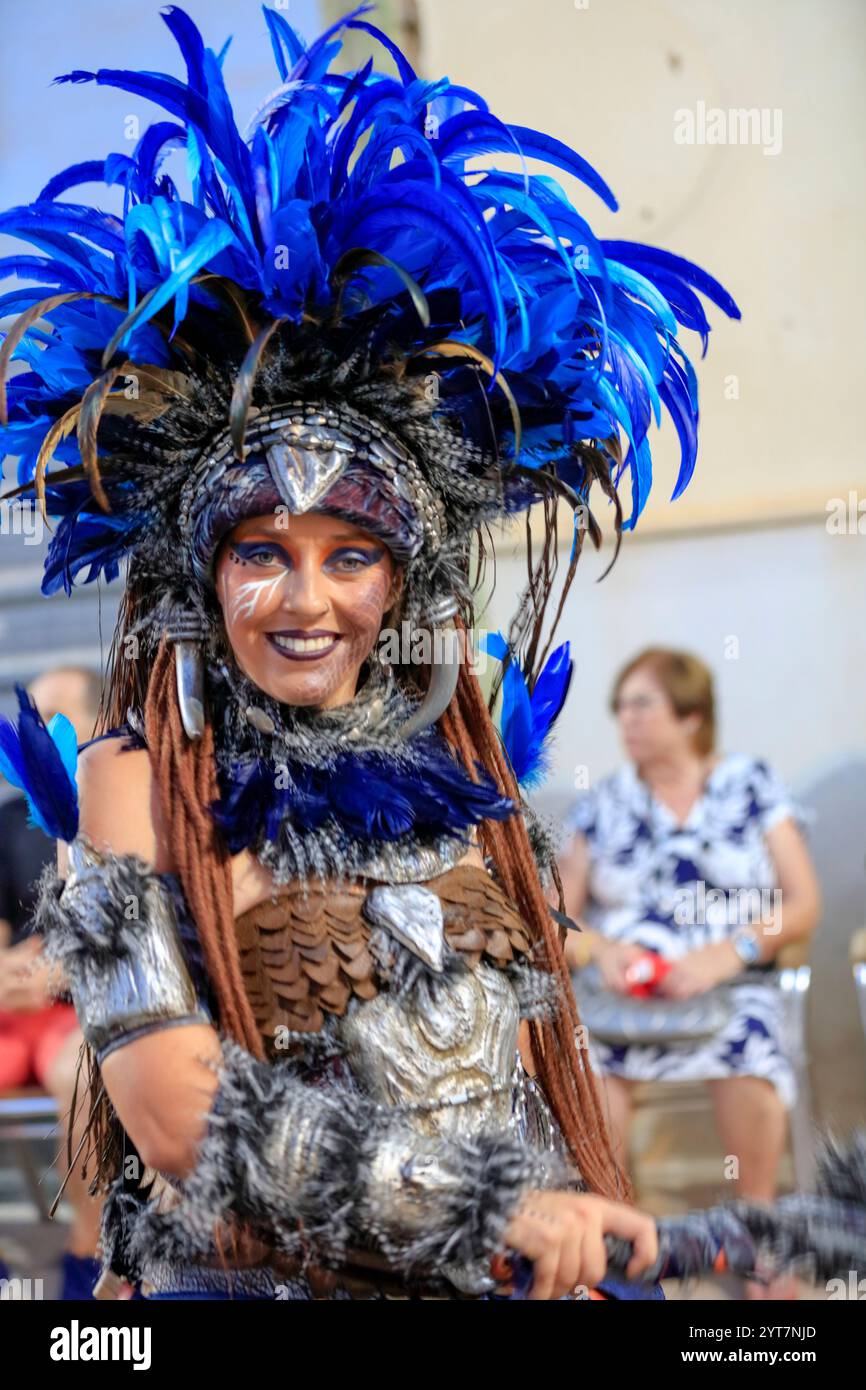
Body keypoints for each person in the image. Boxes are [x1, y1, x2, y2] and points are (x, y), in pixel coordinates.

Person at [0, 7, 738, 1300]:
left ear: (400, 579)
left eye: (350, 555)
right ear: (202, 569)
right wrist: (484, 1205)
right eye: (261, 552)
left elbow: (532, 1061)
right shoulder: (131, 780)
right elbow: (180, 1113)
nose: (306, 598)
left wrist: (594, 1230)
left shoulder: (465, 763)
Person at [559, 648, 822, 1204]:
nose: (624, 718)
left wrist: (726, 955)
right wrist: (602, 951)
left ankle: (757, 1232)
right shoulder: (606, 801)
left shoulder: (750, 785)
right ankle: (608, 1235)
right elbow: (556, 913)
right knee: (583, 1061)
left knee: (752, 1050)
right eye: (620, 707)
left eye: (641, 704)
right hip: (623, 997)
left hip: (731, 986)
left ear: (691, 715)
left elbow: (802, 902)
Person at [0, 667, 105, 1299]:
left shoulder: (122, 805)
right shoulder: (11, 819)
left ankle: (85, 1255)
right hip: (17, 1011)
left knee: (80, 1074)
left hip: (86, 1013)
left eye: (55, 723)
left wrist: (70, 963)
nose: (36, 741)